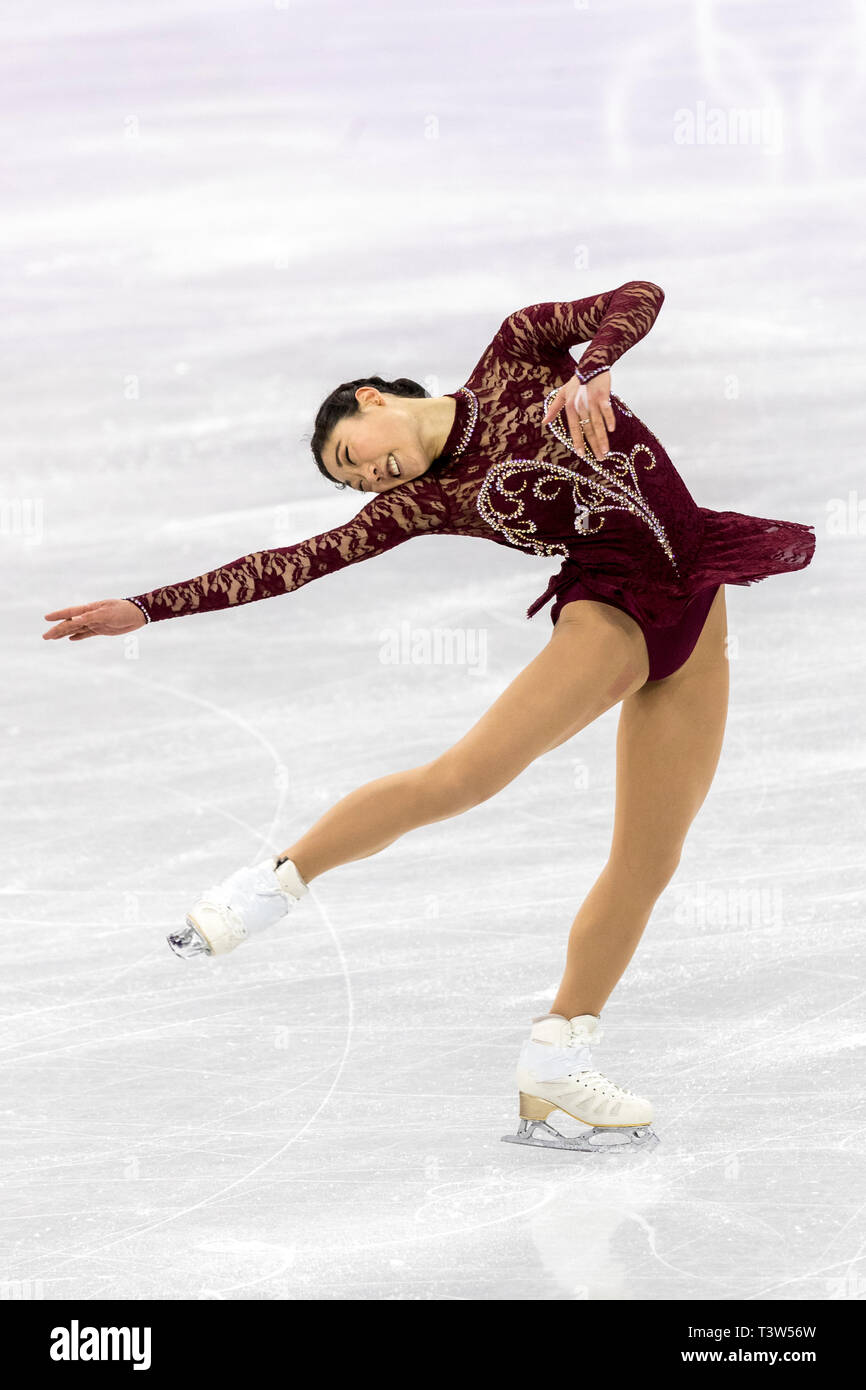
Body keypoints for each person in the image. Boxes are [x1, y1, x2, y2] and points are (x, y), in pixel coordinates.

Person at [42, 281, 815, 1151]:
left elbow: (638, 295)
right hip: (614, 611)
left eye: (351, 452)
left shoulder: (518, 355)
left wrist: (596, 368)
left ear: (373, 398)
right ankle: (268, 887)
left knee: (648, 859)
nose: (365, 476)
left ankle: (557, 1061)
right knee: (466, 777)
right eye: (350, 478)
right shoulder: (418, 503)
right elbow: (287, 565)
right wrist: (147, 608)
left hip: (700, 605)